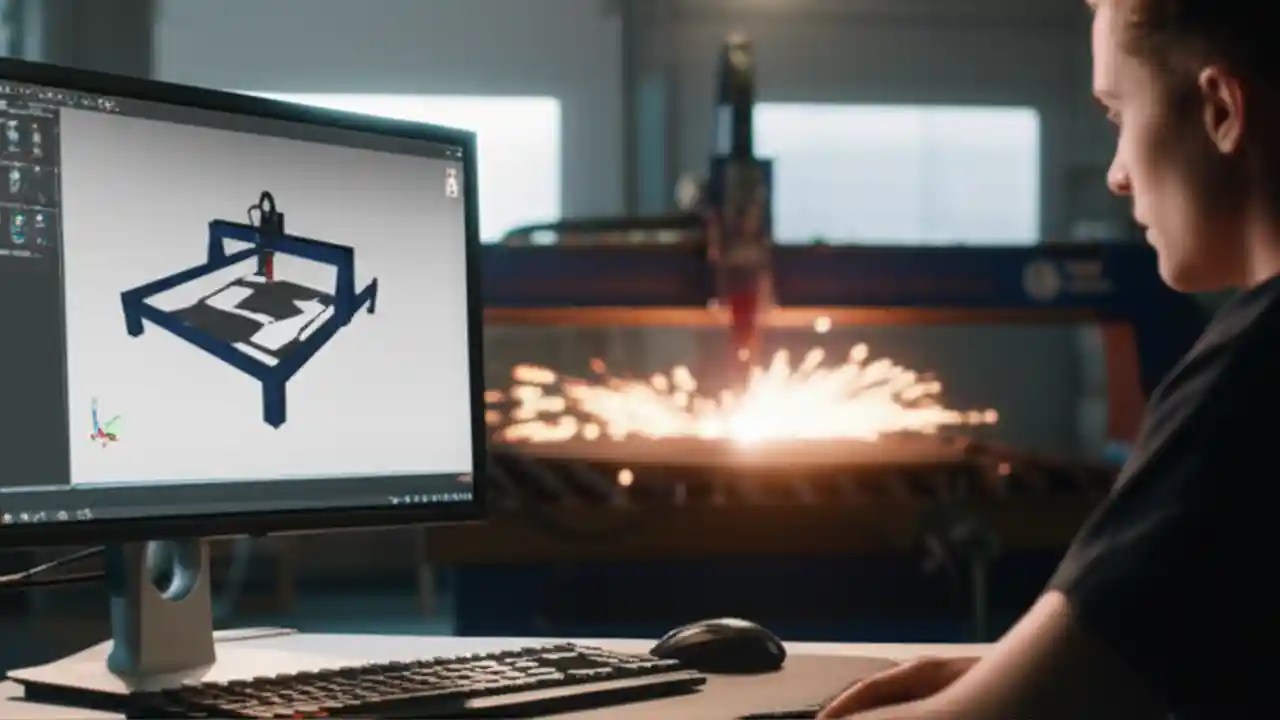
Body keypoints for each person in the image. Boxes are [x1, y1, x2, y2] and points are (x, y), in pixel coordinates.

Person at [818, 0, 1280, 718]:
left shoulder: (1250, 379)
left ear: (1221, 110)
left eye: (1117, 116)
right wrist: (1004, 666)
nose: (1117, 176)